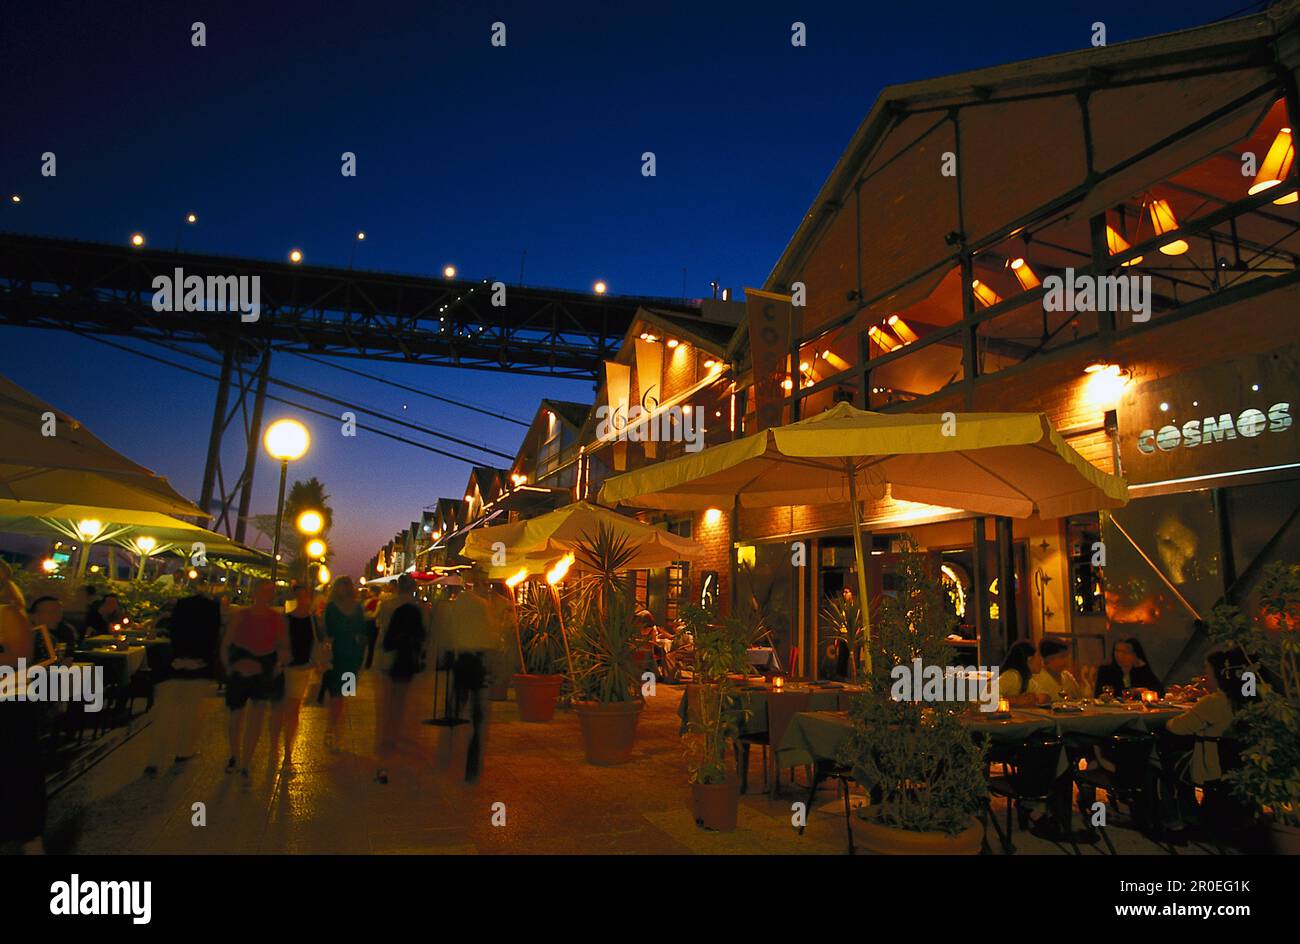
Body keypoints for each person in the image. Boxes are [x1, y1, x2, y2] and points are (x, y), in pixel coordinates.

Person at [433, 568, 511, 781]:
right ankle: (471, 764)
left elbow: (448, 633)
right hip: (477, 661)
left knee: (456, 708)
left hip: (461, 660)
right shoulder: (482, 605)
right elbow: (491, 637)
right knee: (477, 715)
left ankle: (447, 755)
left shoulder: (456, 604)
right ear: (479, 583)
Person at [144, 578, 222, 775]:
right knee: (190, 713)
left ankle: (155, 757)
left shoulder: (181, 609)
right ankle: (183, 750)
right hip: (199, 667)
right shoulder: (212, 609)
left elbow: (173, 634)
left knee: (164, 714)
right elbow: (213, 637)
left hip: (173, 667)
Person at [220, 578, 290, 781]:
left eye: (271, 592)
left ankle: (246, 761)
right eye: (264, 591)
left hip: (265, 666)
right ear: (255, 593)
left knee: (256, 717)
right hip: (242, 665)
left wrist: (280, 663)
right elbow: (226, 643)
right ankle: (234, 754)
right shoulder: (240, 616)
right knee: (236, 717)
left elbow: (283, 645)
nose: (268, 595)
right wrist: (230, 667)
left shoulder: (276, 619)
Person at [0, 571, 44, 853]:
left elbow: (21, 657)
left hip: (8, 704)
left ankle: (29, 836)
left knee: (14, 770)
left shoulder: (7, 613)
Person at [373, 575, 428, 784]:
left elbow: (380, 626)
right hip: (406, 660)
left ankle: (386, 741)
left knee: (386, 704)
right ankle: (397, 737)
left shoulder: (387, 605)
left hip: (386, 656)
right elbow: (423, 635)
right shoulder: (418, 608)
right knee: (402, 701)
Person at [276, 585, 322, 770]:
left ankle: (287, 751)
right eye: (300, 597)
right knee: (284, 709)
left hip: (303, 668)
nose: (303, 600)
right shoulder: (286, 619)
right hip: (286, 668)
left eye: (306, 597)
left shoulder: (313, 620)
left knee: (293, 709)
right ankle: (279, 747)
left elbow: (320, 641)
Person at [321, 576, 368, 750]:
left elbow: (362, 632)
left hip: (350, 657)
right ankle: (333, 729)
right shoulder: (334, 608)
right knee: (337, 693)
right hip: (339, 655)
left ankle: (334, 728)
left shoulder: (354, 608)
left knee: (342, 694)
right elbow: (328, 632)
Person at [1095, 636, 1164, 698]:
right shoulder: (1106, 671)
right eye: (1117, 651)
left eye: (1124, 652)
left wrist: (1143, 668)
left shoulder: (1140, 671)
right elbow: (1099, 695)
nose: (1119, 655)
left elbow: (1159, 691)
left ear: (1135, 654)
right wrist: (1129, 692)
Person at [996, 640, 1048, 707]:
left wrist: (1035, 698)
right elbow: (986, 696)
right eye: (1039, 656)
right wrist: (1015, 700)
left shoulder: (1027, 679)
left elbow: (1045, 695)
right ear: (1029, 658)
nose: (1042, 661)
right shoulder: (1012, 675)